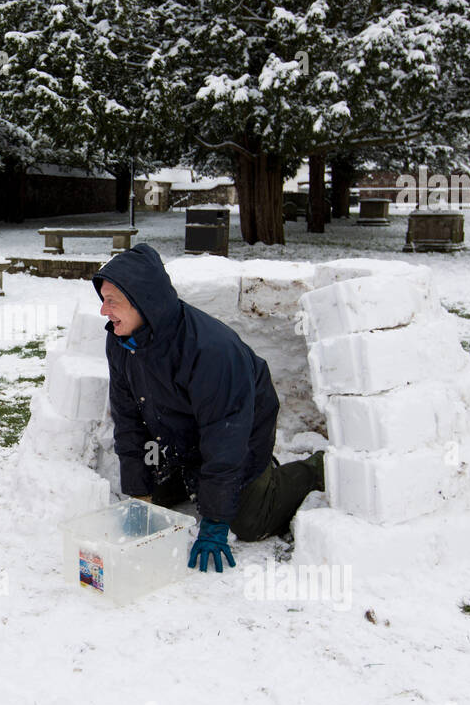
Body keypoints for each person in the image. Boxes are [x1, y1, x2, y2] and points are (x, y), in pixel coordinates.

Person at [92, 243, 325, 574]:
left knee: (248, 519)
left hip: (240, 432)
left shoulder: (211, 351)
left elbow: (226, 438)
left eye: (112, 302)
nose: (104, 311)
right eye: (103, 300)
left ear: (143, 300)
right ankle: (189, 475)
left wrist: (216, 522)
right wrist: (139, 495)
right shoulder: (122, 342)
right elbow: (129, 421)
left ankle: (312, 469)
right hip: (179, 437)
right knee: (152, 493)